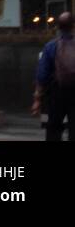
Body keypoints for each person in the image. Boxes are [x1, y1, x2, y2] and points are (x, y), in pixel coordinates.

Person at [33, 11, 75, 141]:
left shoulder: (51, 46)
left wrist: (37, 99)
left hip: (56, 92)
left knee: (54, 127)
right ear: (73, 26)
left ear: (58, 27)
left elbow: (42, 74)